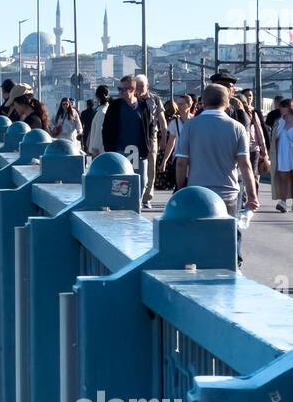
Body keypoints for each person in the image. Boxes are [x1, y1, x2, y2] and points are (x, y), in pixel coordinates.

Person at [174, 83, 258, 266]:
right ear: (228, 104)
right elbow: (245, 165)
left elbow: (181, 162)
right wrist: (252, 195)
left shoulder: (190, 126)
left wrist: (181, 189)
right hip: (228, 194)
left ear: (202, 102)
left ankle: (201, 270)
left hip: (198, 194)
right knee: (227, 237)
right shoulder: (237, 128)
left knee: (199, 237)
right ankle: (232, 268)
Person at [102, 75, 155, 191]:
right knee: (120, 186)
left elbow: (150, 127)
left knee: (141, 184)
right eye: (119, 89)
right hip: (119, 151)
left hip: (138, 152)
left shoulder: (143, 106)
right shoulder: (115, 106)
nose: (120, 92)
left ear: (133, 90)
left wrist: (149, 144)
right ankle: (122, 207)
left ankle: (137, 206)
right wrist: (109, 149)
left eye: (123, 89)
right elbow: (106, 129)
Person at [134, 74, 168, 208]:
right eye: (137, 86)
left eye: (142, 86)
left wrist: (164, 138)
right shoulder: (131, 99)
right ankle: (136, 195)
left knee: (150, 167)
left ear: (147, 86)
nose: (139, 89)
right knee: (135, 166)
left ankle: (147, 197)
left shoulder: (155, 99)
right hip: (135, 137)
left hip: (151, 136)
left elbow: (162, 120)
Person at [85, 84, 110, 157]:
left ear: (98, 96)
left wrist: (95, 149)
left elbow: (99, 133)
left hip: (99, 151)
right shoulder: (104, 110)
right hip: (102, 150)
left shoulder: (102, 112)